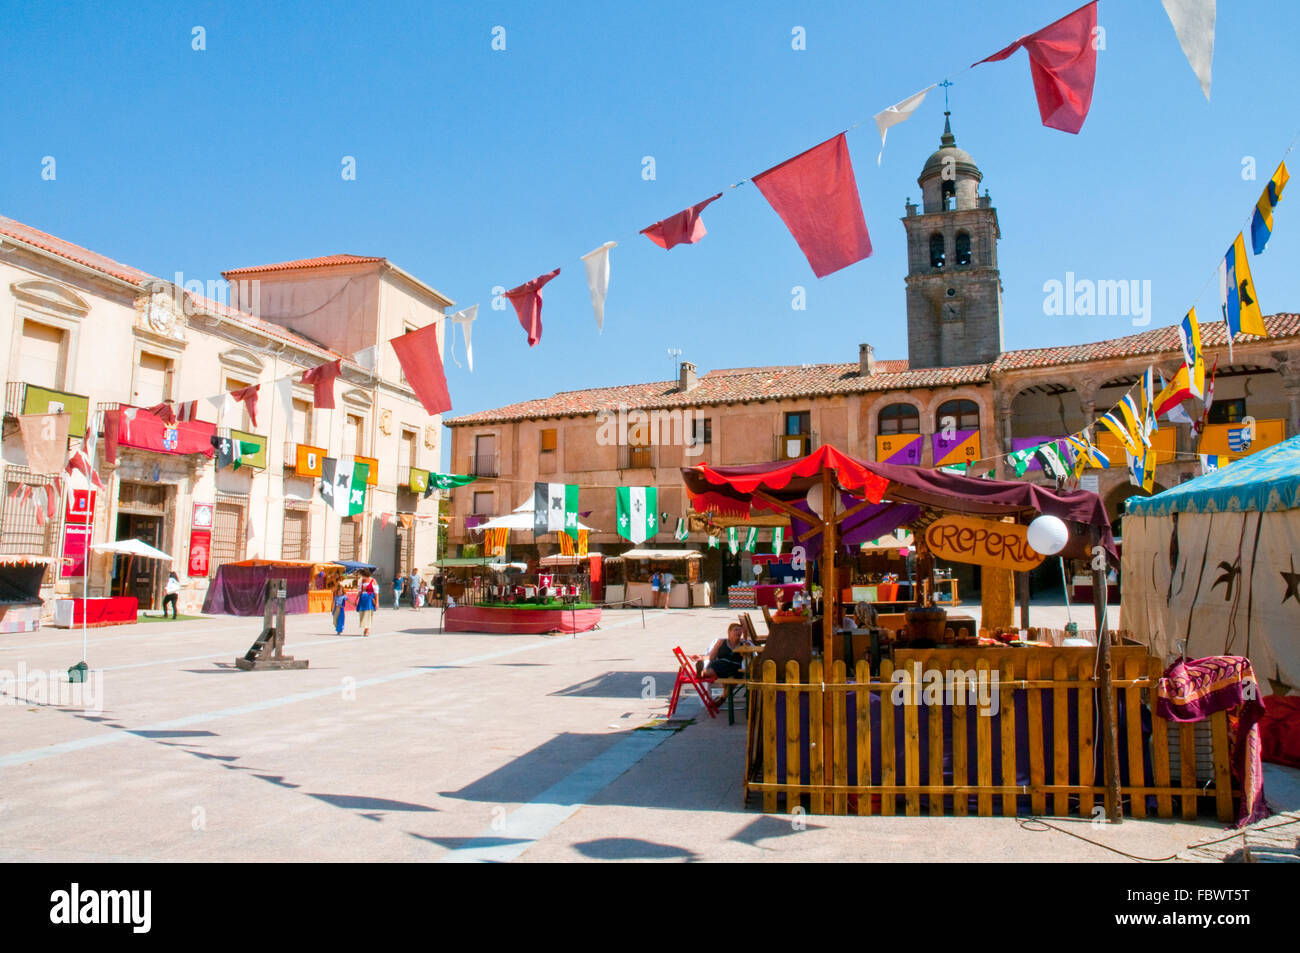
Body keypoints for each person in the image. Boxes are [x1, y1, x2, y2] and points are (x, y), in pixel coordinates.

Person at [356, 570, 378, 637]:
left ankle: (367, 630)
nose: (362, 576)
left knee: (367, 614)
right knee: (362, 614)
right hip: (362, 599)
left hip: (369, 599)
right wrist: (356, 599)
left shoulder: (373, 581)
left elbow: (376, 593)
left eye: (363, 575)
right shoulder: (361, 580)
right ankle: (365, 628)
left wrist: (377, 602)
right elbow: (360, 591)